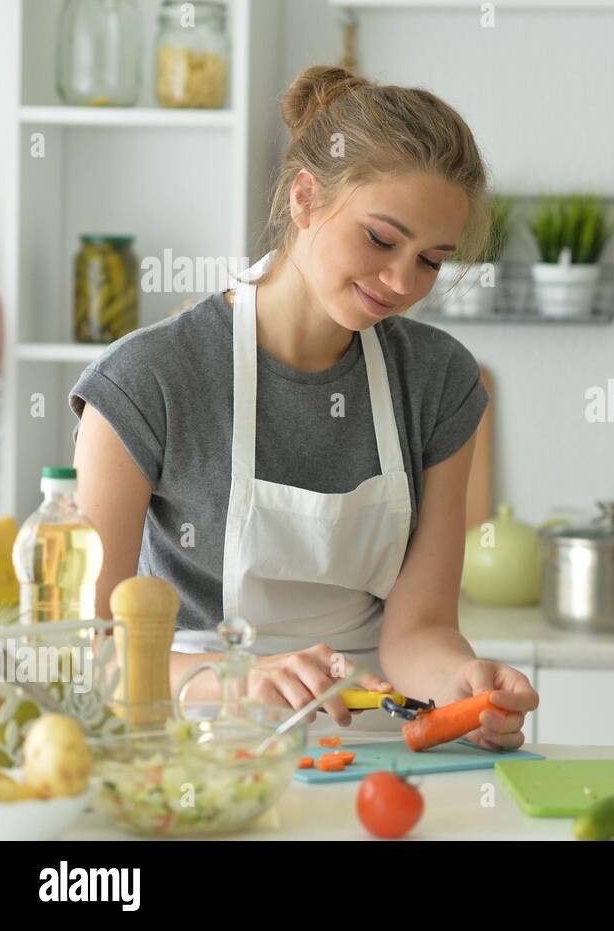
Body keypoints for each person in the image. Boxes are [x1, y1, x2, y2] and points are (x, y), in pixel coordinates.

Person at [70, 65, 537, 744]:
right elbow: (96, 650)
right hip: (199, 745)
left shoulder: (439, 380)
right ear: (305, 198)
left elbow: (420, 629)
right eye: (381, 238)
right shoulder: (149, 380)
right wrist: (238, 680)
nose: (402, 281)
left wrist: (464, 683)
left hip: (370, 744)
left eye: (432, 259)